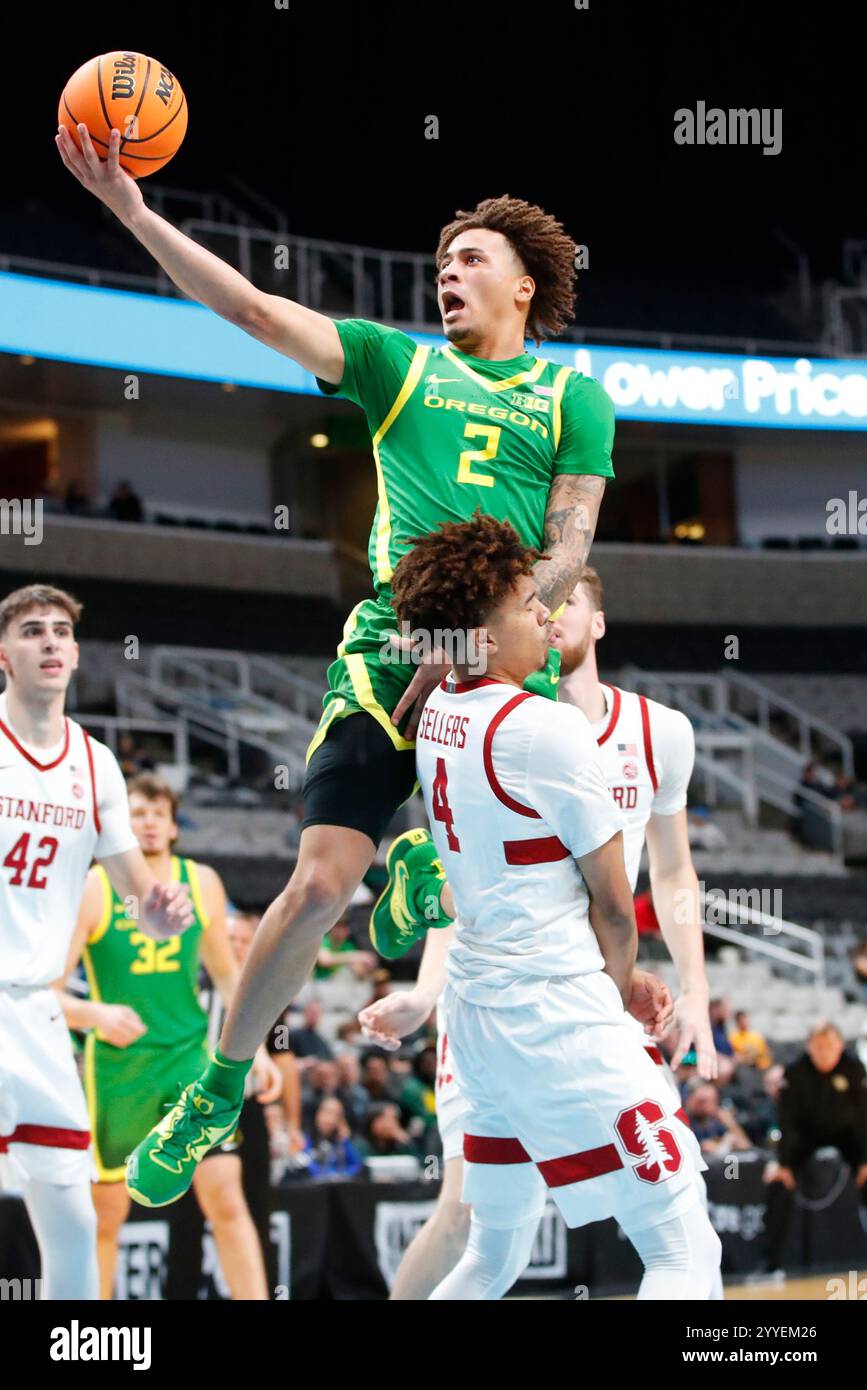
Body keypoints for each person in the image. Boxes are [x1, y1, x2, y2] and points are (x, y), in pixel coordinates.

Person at [56, 129, 615, 1209]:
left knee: (522, 889)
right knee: (317, 881)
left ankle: (427, 880)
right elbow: (257, 313)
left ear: (527, 283)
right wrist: (134, 214)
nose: (449, 274)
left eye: (471, 260)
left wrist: (485, 635)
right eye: (443, 261)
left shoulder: (570, 399)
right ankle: (217, 1088)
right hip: (387, 642)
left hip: (504, 659)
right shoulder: (395, 364)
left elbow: (571, 546)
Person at [361, 515, 720, 1299]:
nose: (542, 617)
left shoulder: (438, 716)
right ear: (482, 639)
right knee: (683, 1248)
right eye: (527, 606)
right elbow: (616, 906)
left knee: (491, 1256)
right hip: (557, 1013)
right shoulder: (548, 730)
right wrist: (621, 987)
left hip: (480, 1021)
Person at [0, 584, 192, 1300]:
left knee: (73, 1219)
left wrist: (161, 916)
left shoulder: (95, 763)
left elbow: (139, 900)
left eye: (60, 632)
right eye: (31, 632)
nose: (49, 642)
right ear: (4, 656)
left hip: (38, 1014)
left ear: (76, 655)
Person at [58, 774, 281, 1299]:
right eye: (138, 814)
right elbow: (46, 994)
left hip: (188, 1061)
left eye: (159, 813)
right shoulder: (93, 885)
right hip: (119, 1070)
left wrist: (262, 1049)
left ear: (175, 826)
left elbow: (229, 976)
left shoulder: (200, 881)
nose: (149, 823)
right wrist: (94, 1014)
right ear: (119, 826)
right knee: (107, 1213)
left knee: (226, 1195)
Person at [763, 1020, 867, 1275]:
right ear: (809, 1046)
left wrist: (865, 1161)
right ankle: (772, 1264)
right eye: (819, 1046)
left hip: (848, 1135)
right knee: (779, 1184)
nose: (825, 1051)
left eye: (830, 1045)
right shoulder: (795, 1072)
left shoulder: (854, 1068)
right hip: (805, 1136)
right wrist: (785, 1164)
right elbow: (787, 1120)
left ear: (840, 1045)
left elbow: (864, 1118)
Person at [682, 1082, 752, 1158]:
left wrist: (730, 1123)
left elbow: (745, 1145)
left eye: (713, 1101)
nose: (708, 1106)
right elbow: (701, 1148)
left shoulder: (716, 1119)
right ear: (689, 1100)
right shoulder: (682, 1121)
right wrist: (724, 1145)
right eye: (702, 1102)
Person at [302, 1097, 363, 1178]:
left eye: (336, 1115)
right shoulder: (306, 1137)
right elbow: (306, 1163)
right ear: (317, 1113)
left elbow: (356, 1164)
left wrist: (344, 1140)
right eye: (327, 1112)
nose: (330, 1119)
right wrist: (326, 1174)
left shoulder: (342, 1140)